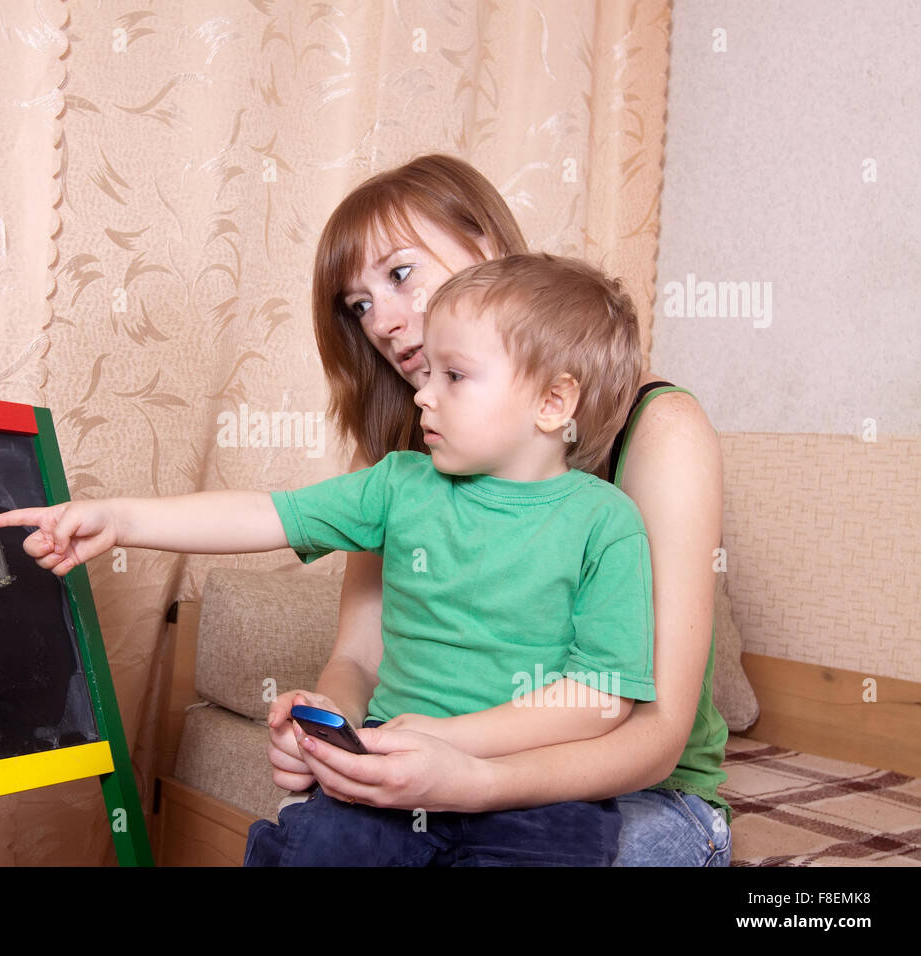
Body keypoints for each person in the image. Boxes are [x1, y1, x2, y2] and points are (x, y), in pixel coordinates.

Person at [0, 252, 656, 866]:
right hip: (386, 764)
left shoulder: (606, 523)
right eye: (427, 374)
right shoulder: (398, 484)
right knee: (310, 844)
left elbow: (600, 698)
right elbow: (269, 512)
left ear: (553, 403)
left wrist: (453, 744)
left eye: (454, 377)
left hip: (532, 797)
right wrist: (123, 517)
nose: (423, 395)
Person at [274, 154, 730, 867]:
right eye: (358, 306)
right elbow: (359, 659)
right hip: (454, 758)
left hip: (638, 787)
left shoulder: (660, 428)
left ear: (488, 250)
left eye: (400, 275)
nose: (385, 324)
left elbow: (655, 733)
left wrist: (470, 780)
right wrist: (337, 740)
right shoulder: (412, 456)